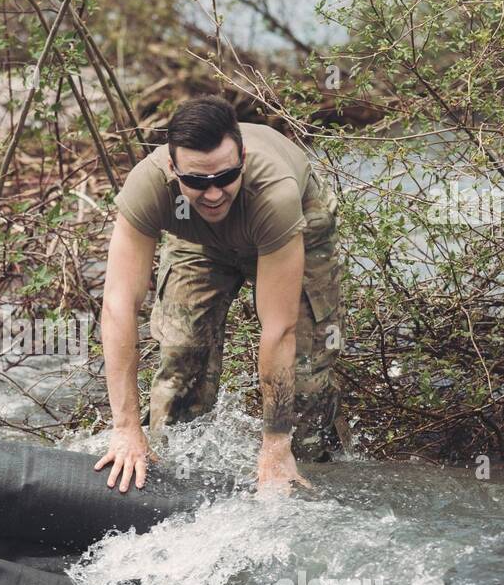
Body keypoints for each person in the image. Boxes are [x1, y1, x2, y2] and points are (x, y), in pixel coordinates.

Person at [93, 94, 350, 496]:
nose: (212, 194)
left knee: (304, 382)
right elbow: (118, 306)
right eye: (196, 182)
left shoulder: (274, 193)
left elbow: (278, 329)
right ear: (173, 169)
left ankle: (310, 472)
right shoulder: (149, 185)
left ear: (242, 160)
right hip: (198, 238)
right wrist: (125, 428)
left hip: (289, 224)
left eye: (224, 178)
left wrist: (275, 443)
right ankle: (167, 477)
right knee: (182, 355)